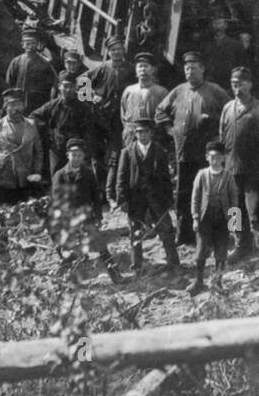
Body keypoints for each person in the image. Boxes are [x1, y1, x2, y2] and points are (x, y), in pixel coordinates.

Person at [155, 51, 228, 246]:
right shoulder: (178, 91)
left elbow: (229, 113)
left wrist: (218, 133)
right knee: (184, 194)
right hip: (184, 153)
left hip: (207, 155)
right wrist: (171, 130)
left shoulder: (214, 90)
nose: (190, 72)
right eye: (187, 69)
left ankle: (213, 234)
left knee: (211, 193)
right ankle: (184, 234)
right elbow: (160, 111)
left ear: (202, 70)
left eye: (194, 68)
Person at [115, 116, 181, 275]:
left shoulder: (160, 152)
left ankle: (173, 263)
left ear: (151, 133)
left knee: (166, 228)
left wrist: (169, 201)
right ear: (135, 134)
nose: (142, 135)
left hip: (156, 198)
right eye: (139, 132)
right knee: (134, 232)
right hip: (135, 198)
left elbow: (166, 178)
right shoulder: (127, 152)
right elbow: (121, 177)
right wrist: (122, 199)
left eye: (145, 132)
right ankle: (136, 266)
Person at [50, 138, 120, 283]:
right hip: (68, 220)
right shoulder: (60, 175)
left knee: (101, 247)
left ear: (83, 157)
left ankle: (115, 276)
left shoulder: (88, 174)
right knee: (69, 251)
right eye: (73, 154)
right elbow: (57, 201)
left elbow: (95, 197)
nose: (76, 158)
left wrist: (98, 217)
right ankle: (68, 281)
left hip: (87, 218)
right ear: (68, 155)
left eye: (79, 155)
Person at [218, 67, 259, 261]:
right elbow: (222, 138)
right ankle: (241, 246)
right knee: (234, 212)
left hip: (253, 169)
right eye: (234, 84)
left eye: (241, 84)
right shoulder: (227, 108)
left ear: (250, 85)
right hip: (231, 169)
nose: (237, 88)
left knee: (255, 211)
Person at [31, 71, 103, 180]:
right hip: (57, 148)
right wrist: (48, 131)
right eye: (65, 86)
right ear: (59, 87)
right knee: (57, 177)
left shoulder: (83, 108)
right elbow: (34, 117)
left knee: (77, 178)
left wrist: (86, 151)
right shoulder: (52, 105)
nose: (68, 90)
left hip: (76, 149)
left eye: (71, 86)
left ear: (75, 88)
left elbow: (89, 131)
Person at [189, 141, 240, 295]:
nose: (215, 161)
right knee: (200, 251)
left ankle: (218, 282)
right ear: (207, 158)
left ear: (224, 158)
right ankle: (198, 281)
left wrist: (233, 225)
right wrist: (195, 218)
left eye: (218, 158)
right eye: (212, 158)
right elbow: (195, 198)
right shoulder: (202, 175)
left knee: (221, 252)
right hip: (205, 219)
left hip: (222, 220)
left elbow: (234, 199)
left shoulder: (228, 176)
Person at [87, 36, 134, 185]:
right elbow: (80, 82)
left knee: (116, 153)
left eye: (119, 49)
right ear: (108, 52)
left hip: (119, 119)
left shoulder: (131, 69)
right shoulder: (102, 68)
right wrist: (91, 96)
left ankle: (112, 186)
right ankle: (99, 187)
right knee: (97, 153)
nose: (117, 52)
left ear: (124, 51)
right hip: (100, 117)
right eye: (113, 50)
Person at [5, 25, 57, 116]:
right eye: (27, 43)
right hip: (18, 103)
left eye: (33, 43)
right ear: (22, 45)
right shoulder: (16, 62)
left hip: (36, 105)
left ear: (38, 45)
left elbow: (54, 84)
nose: (30, 46)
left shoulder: (45, 64)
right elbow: (9, 83)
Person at [200, 4, 244, 96]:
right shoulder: (206, 44)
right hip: (209, 86)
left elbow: (240, 68)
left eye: (220, 23)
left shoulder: (235, 45)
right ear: (211, 25)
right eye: (215, 23)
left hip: (228, 87)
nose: (218, 27)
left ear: (225, 25)